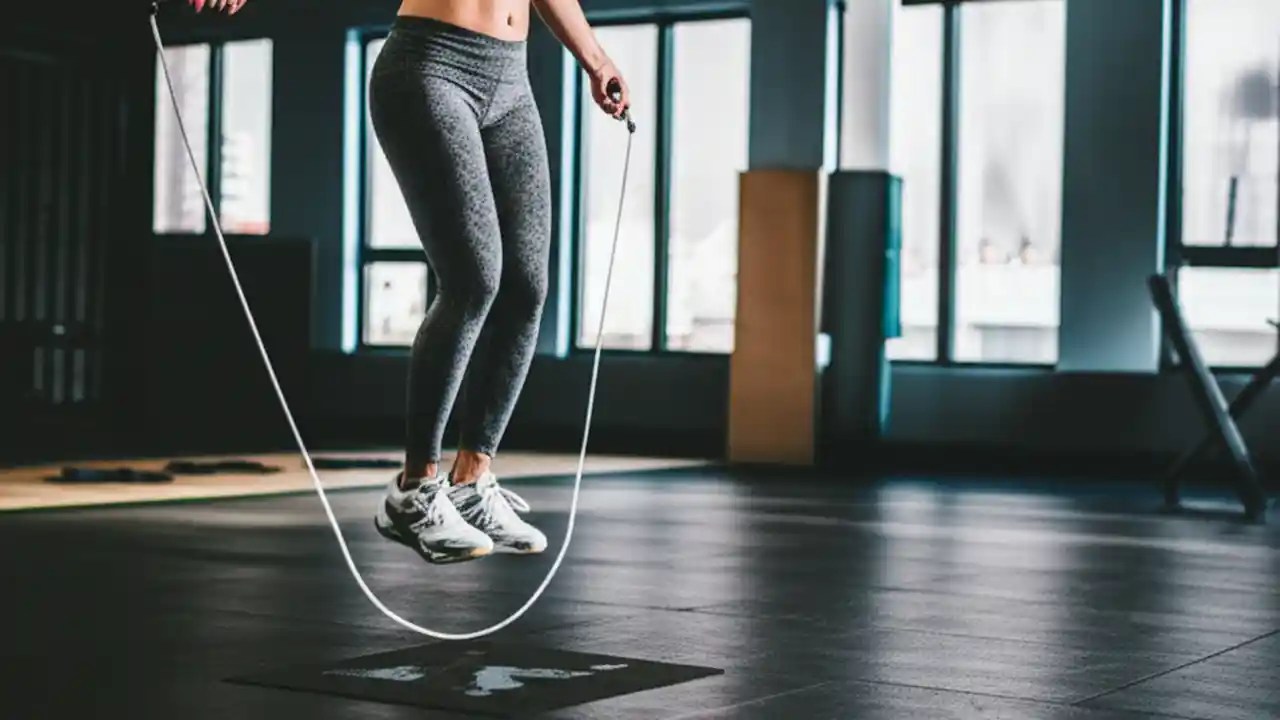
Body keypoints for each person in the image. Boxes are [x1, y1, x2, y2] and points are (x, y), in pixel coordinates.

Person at [190, 0, 631, 564]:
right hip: (431, 65)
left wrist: (595, 59)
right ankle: (413, 490)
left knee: (526, 286)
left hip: (511, 80)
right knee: (474, 279)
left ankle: (471, 483)